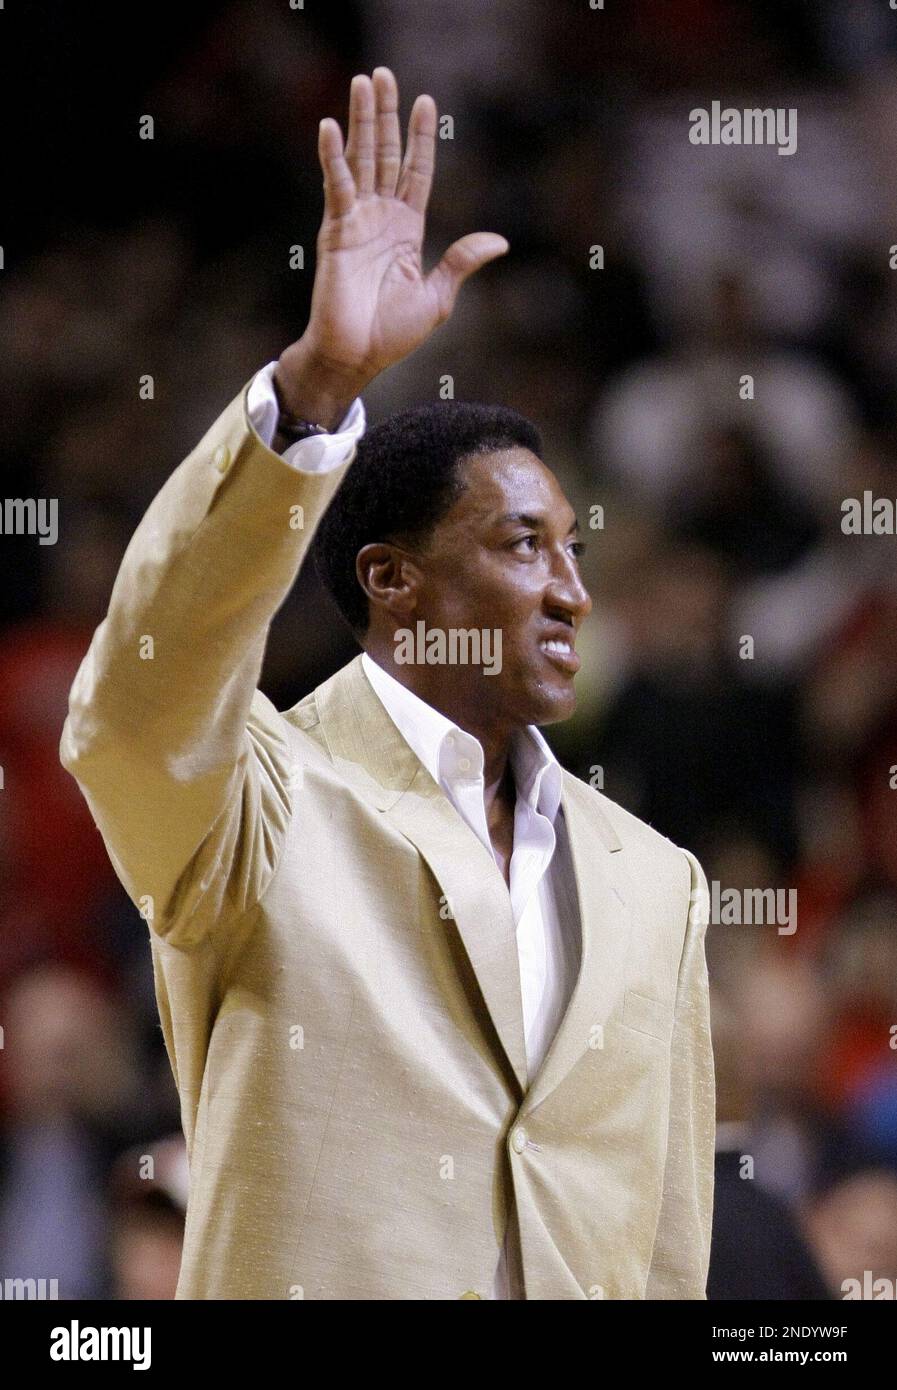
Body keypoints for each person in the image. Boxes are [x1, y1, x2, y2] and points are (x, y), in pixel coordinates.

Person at [60, 68, 715, 1300]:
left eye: (576, 546)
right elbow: (140, 699)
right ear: (393, 580)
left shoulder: (657, 881)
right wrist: (314, 392)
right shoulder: (261, 802)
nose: (572, 587)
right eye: (523, 544)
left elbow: (668, 1257)